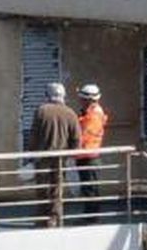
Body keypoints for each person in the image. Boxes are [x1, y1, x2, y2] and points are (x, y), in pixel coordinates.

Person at [29, 82, 81, 227]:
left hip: (42, 158)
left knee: (42, 189)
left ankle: (41, 219)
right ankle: (56, 219)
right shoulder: (70, 113)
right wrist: (71, 154)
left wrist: (31, 154)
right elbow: (76, 138)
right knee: (57, 190)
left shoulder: (41, 111)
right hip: (61, 159)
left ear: (48, 95)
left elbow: (34, 135)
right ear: (63, 95)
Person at [75, 83, 107, 216]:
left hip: (88, 156)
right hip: (87, 156)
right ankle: (91, 215)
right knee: (89, 187)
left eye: (82, 98)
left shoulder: (93, 116)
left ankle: (91, 217)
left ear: (88, 100)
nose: (80, 101)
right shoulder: (90, 113)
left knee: (90, 188)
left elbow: (84, 135)